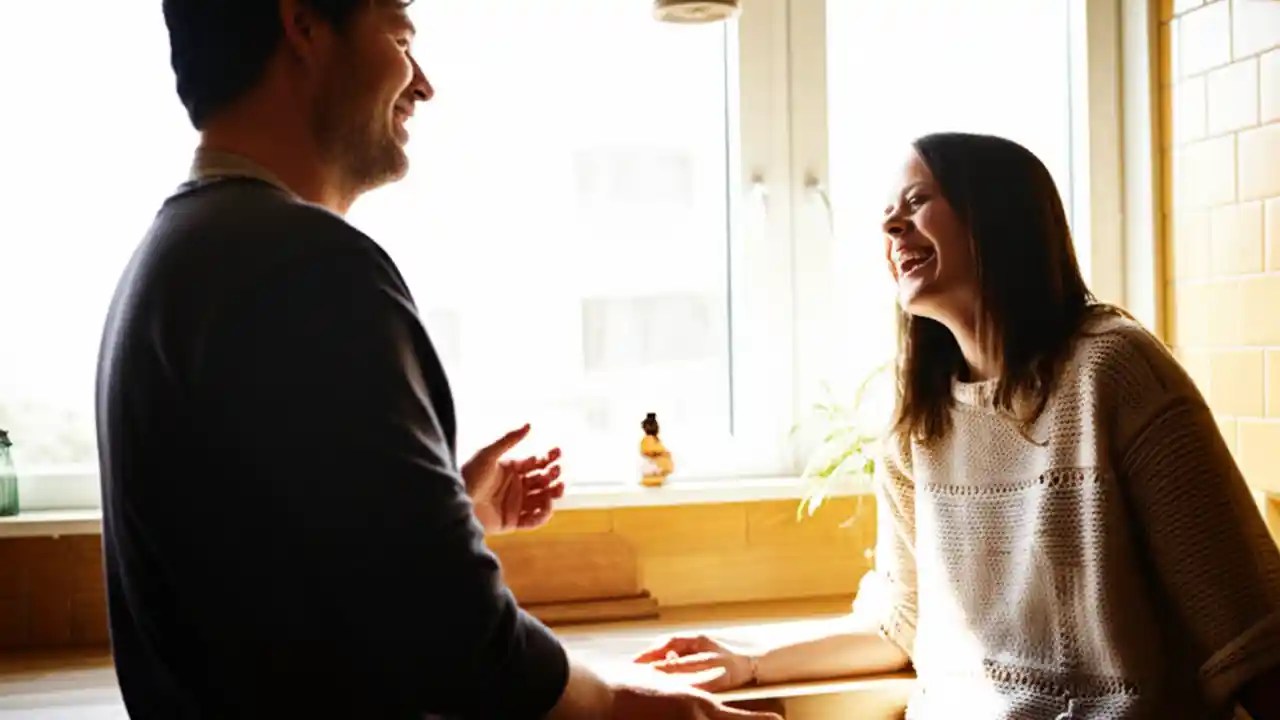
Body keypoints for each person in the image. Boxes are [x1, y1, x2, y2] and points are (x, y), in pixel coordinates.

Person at [95, 1, 778, 718]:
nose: (422, 84)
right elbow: (456, 642)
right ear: (302, 26)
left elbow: (290, 578)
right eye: (399, 38)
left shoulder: (174, 260)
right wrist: (625, 706)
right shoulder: (304, 265)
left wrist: (447, 517)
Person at [636, 133, 1280, 719]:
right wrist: (748, 661)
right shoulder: (913, 413)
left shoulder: (1112, 371)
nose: (891, 224)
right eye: (889, 212)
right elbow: (902, 621)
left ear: (995, 220)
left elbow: (1249, 634)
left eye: (917, 201)